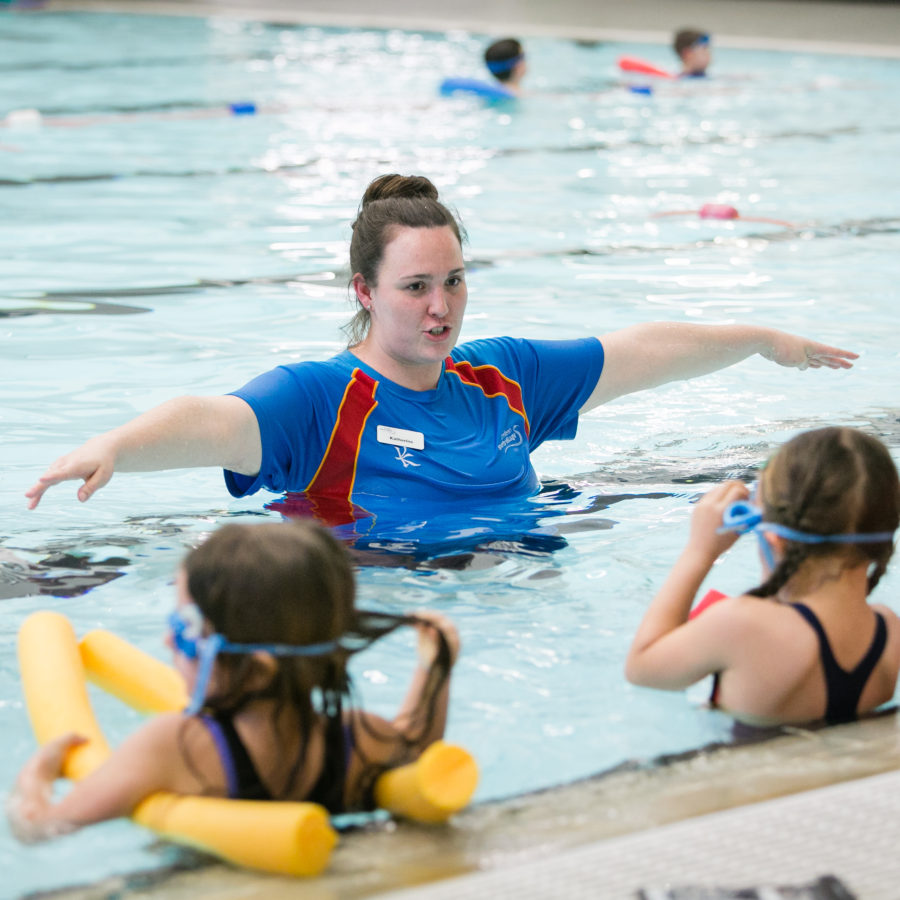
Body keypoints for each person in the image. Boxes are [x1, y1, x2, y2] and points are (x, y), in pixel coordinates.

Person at [26, 174, 857, 519]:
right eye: (416, 286)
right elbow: (211, 419)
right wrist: (114, 447)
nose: (441, 307)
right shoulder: (320, 400)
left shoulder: (502, 376)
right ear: (364, 291)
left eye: (454, 281)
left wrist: (759, 339)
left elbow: (641, 351)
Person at [7, 519, 459, 841]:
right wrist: (434, 667)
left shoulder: (175, 746)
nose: (167, 639)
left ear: (257, 668)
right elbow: (417, 746)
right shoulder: (359, 738)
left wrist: (35, 776)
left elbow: (43, 826)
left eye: (186, 629)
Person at [625, 426, 900, 727]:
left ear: (775, 539)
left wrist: (699, 551)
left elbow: (641, 668)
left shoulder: (743, 624)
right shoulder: (888, 631)